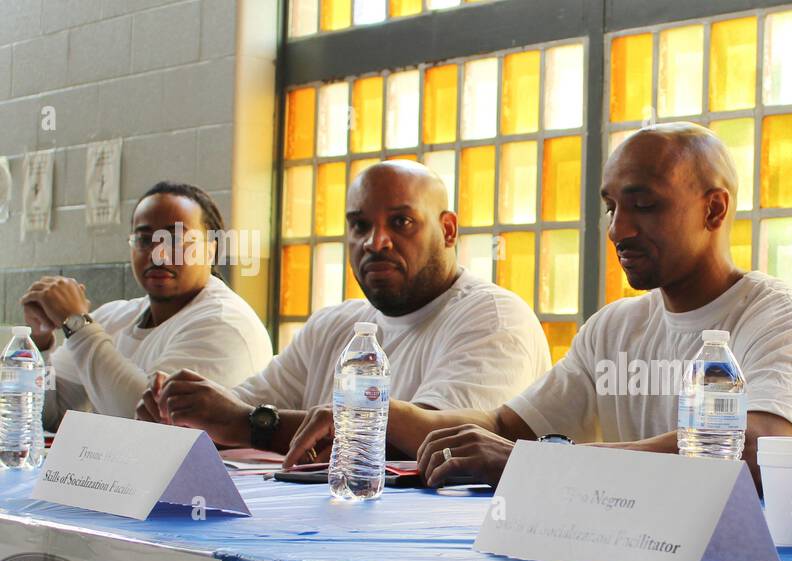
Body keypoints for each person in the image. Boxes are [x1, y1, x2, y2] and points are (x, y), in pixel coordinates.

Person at [280, 123, 792, 485]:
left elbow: (757, 451)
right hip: (645, 558)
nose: (617, 228)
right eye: (610, 207)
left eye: (643, 205)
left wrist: (546, 464)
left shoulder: (783, 319)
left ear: (714, 210)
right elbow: (509, 426)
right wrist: (391, 416)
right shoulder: (615, 327)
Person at [136, 160, 551, 457]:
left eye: (401, 222)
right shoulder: (335, 325)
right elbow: (237, 406)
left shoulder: (492, 317)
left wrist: (248, 424)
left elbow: (428, 443)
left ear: (447, 230)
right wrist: (182, 412)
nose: (375, 242)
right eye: (360, 225)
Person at [19, 182, 272, 429]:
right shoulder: (113, 317)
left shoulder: (224, 323)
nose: (158, 254)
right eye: (144, 240)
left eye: (175, 239)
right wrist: (39, 345)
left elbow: (147, 426)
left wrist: (76, 322)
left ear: (210, 250)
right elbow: (48, 412)